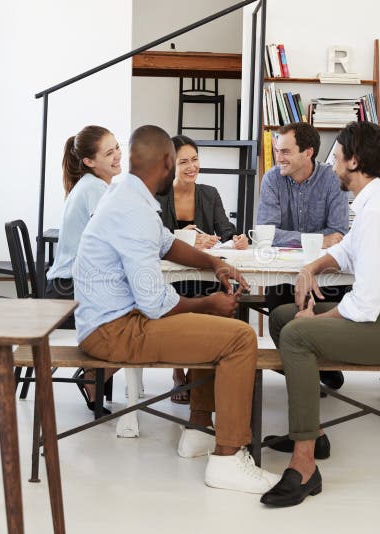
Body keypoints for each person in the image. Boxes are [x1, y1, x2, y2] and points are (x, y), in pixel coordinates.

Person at [72, 124, 281, 493]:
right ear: (168, 162)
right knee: (240, 339)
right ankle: (229, 459)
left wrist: (214, 263)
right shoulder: (131, 209)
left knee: (215, 327)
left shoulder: (128, 195)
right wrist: (210, 303)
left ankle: (199, 430)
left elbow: (166, 244)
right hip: (114, 331)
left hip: (117, 320)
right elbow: (155, 302)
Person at [260, 122, 380, 507]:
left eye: (337, 155)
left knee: (298, 334)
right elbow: (347, 249)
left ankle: (304, 466)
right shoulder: (374, 201)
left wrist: (315, 321)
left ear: (355, 160)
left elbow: (365, 304)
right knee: (284, 316)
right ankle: (311, 432)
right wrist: (313, 267)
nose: (332, 162)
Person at [256, 121, 350, 390]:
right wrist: (317, 239)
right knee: (281, 317)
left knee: (329, 307)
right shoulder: (273, 179)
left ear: (308, 153)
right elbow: (267, 233)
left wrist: (316, 241)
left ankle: (325, 365)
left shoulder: (333, 179)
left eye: (285, 151)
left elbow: (339, 233)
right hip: (284, 271)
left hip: (325, 271)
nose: (278, 157)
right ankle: (305, 372)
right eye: (277, 150)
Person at [157, 135, 249, 403]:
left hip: (205, 272)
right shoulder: (159, 196)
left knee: (221, 294)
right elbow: (154, 236)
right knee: (177, 295)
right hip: (171, 274)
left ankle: (206, 369)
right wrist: (182, 236)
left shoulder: (209, 193)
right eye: (183, 161)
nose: (191, 166)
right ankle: (178, 371)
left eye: (195, 159)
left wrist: (237, 239)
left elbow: (226, 231)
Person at [44, 125, 121, 414]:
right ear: (89, 161)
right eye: (109, 152)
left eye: (117, 148)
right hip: (70, 292)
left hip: (67, 285)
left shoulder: (92, 186)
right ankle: (92, 376)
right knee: (143, 321)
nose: (117, 156)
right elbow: (111, 239)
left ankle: (94, 375)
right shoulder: (95, 188)